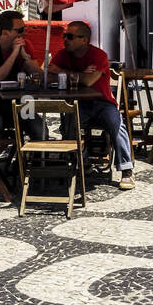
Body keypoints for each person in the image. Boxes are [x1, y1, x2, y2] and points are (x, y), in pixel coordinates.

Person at [49, 20, 134, 189]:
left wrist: (63, 73)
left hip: (103, 103)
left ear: (84, 39)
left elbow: (88, 81)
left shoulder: (98, 55)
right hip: (78, 103)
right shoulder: (62, 54)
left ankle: (126, 170)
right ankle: (81, 161)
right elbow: (48, 74)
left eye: (70, 36)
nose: (65, 39)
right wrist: (77, 74)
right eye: (65, 35)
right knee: (69, 124)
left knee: (116, 124)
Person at [0, 10, 46, 142]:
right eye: (20, 30)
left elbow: (39, 76)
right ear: (5, 33)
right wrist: (14, 53)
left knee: (39, 128)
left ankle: (33, 161)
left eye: (25, 28)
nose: (25, 32)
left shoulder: (26, 45)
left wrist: (25, 57)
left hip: (16, 101)